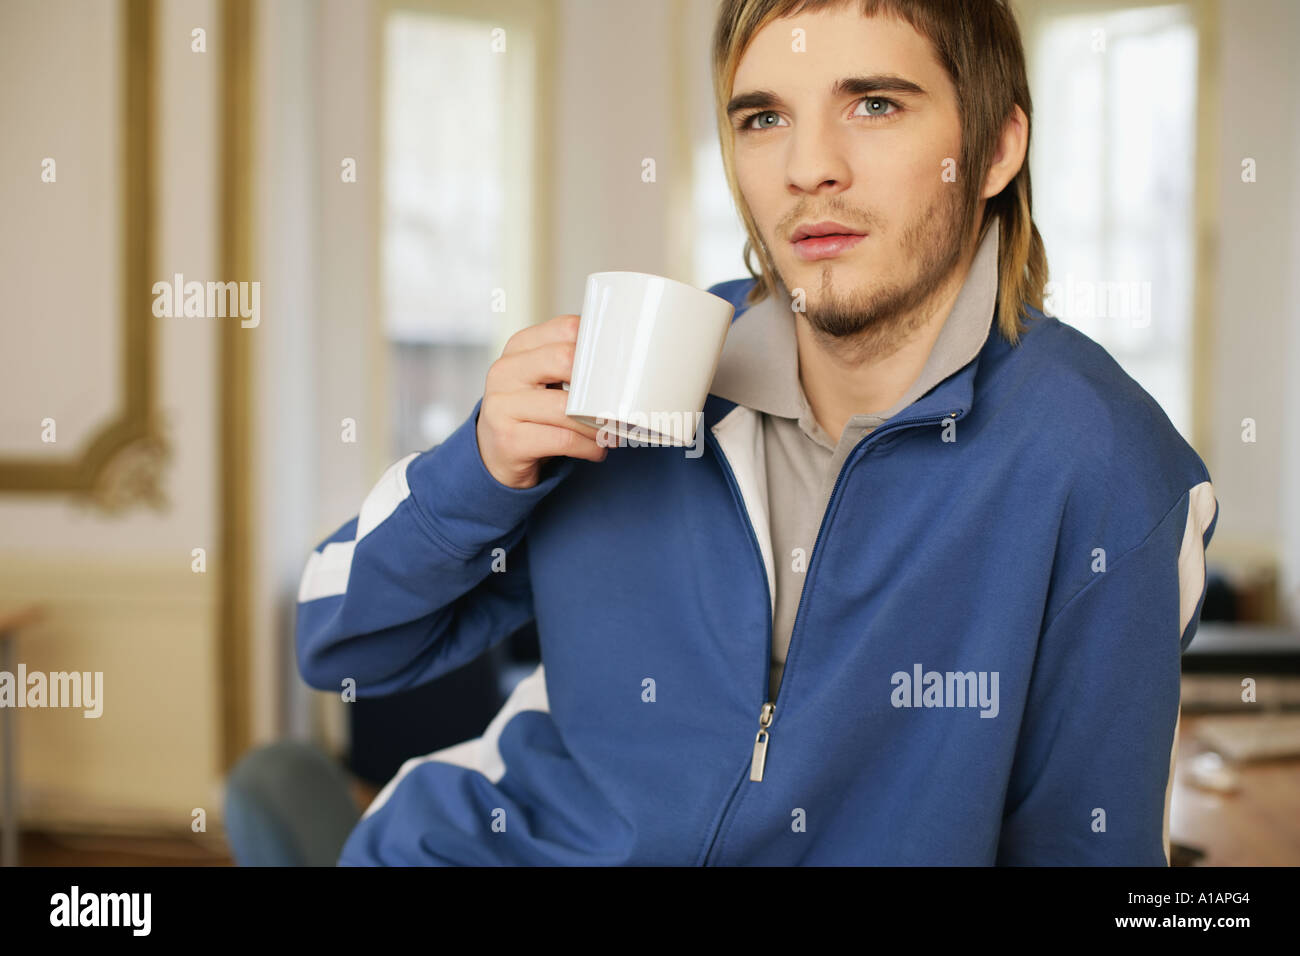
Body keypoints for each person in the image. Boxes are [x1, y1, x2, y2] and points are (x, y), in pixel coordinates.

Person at [294, 0, 1219, 865]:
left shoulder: (1103, 465)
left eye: (874, 104)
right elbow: (341, 647)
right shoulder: (648, 368)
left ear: (994, 149)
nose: (807, 167)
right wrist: (481, 470)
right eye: (762, 118)